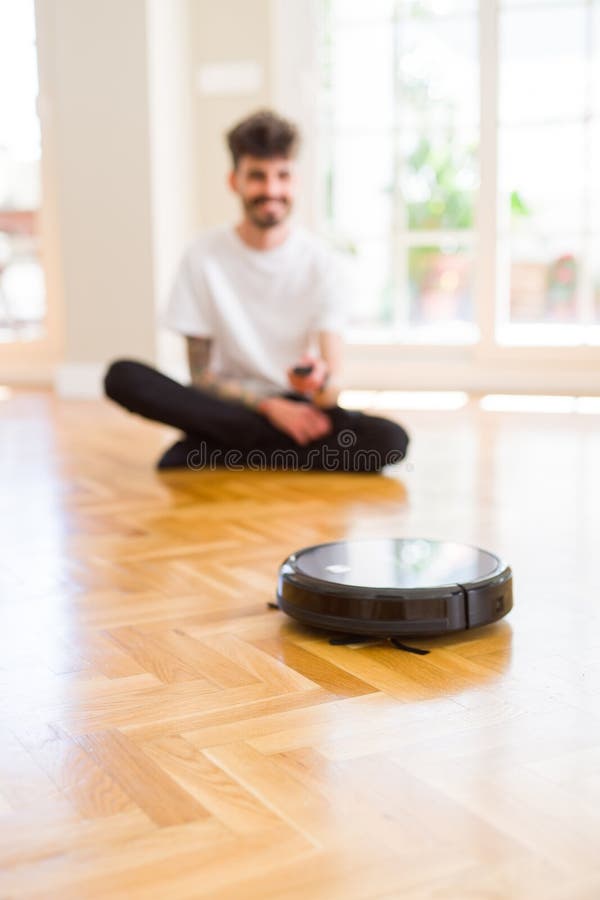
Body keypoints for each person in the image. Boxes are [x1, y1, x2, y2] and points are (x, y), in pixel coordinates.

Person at [104, 110, 409, 473]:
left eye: (282, 176)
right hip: (229, 405)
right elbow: (201, 377)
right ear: (234, 181)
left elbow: (331, 387)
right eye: (257, 176)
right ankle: (272, 451)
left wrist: (319, 382)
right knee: (123, 376)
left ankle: (217, 450)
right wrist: (269, 408)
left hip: (297, 405)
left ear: (295, 181)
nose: (271, 190)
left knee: (390, 439)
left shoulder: (324, 264)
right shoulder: (202, 256)